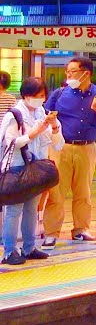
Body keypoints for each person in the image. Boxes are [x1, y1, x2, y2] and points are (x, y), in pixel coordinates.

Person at [43, 55, 96, 246]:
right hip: (60, 147)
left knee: (83, 192)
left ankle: (81, 229)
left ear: (87, 73)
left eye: (73, 72)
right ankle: (51, 232)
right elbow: (43, 115)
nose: (69, 76)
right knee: (56, 192)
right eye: (67, 72)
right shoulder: (60, 94)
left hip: (87, 148)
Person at [2, 77, 60, 265]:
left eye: (42, 96)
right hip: (17, 167)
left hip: (36, 167)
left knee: (31, 209)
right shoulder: (15, 115)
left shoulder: (41, 112)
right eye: (36, 96)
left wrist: (52, 125)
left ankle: (29, 247)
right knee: (14, 209)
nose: (39, 99)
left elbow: (57, 142)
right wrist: (32, 134)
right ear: (25, 96)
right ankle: (10, 251)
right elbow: (10, 142)